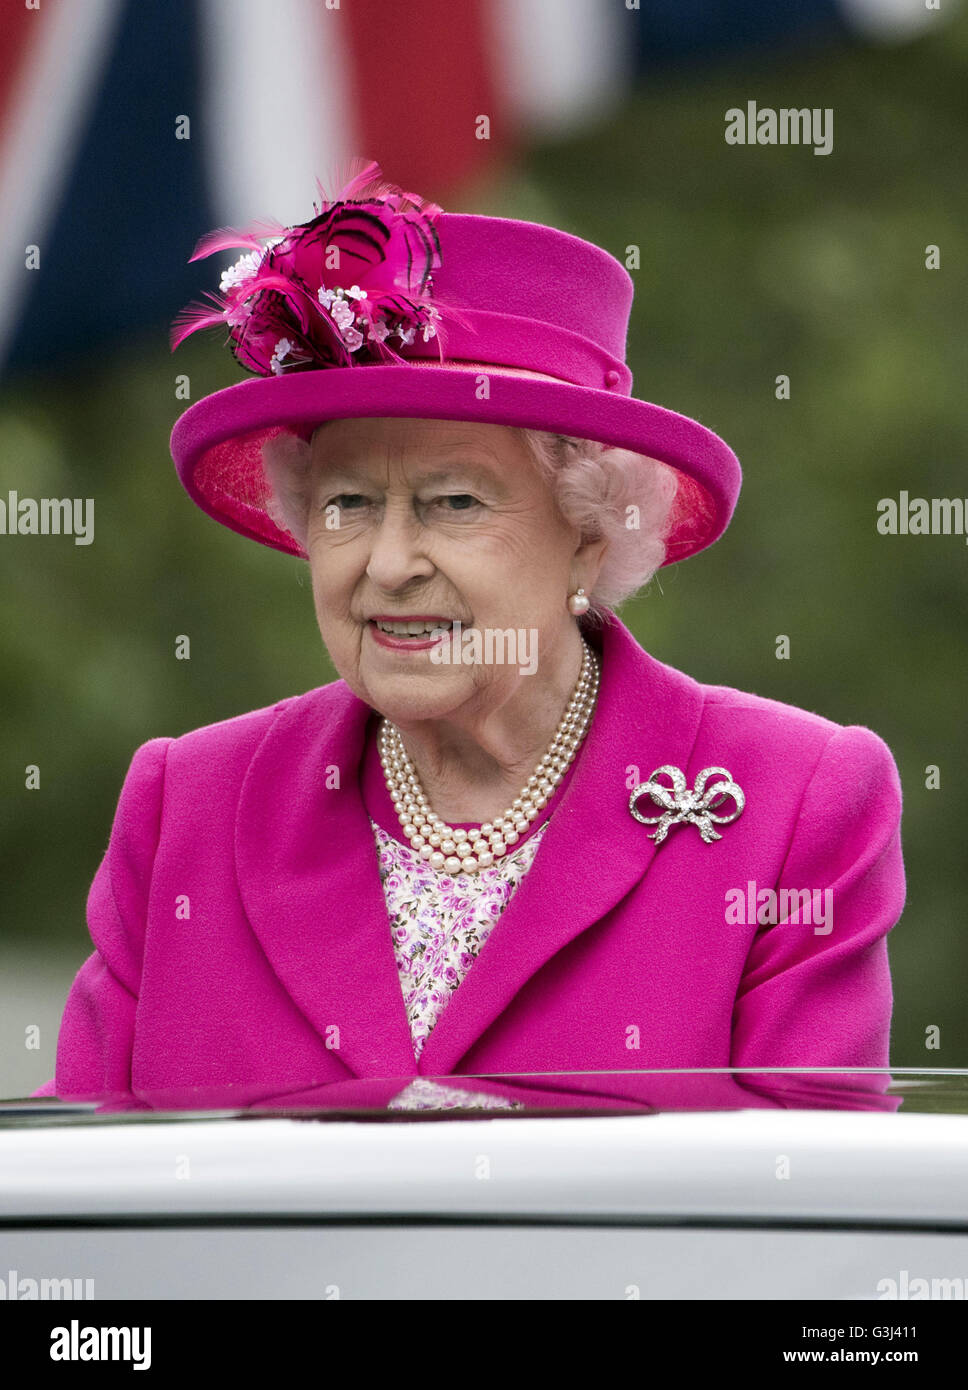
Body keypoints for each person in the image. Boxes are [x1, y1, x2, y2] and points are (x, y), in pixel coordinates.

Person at [33, 160, 904, 1109]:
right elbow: (78, 1189)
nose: (390, 561)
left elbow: (813, 1206)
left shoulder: (793, 803)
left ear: (587, 530)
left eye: (453, 502)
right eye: (349, 503)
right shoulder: (184, 808)